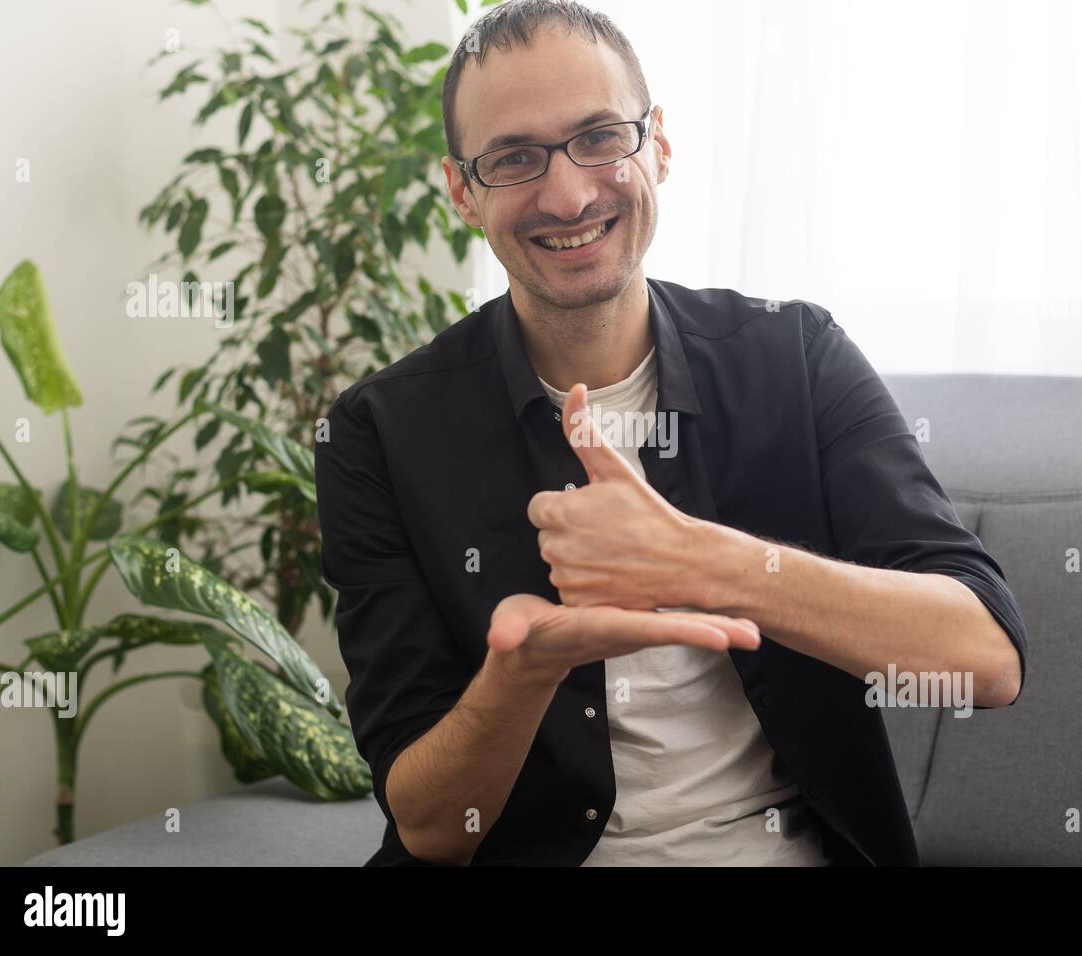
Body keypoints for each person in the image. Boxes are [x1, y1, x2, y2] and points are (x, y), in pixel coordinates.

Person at [314, 0, 1027, 867]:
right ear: (464, 191)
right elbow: (430, 824)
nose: (568, 192)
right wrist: (525, 670)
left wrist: (703, 563)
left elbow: (984, 660)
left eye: (601, 137)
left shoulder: (796, 356)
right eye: (513, 158)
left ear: (658, 144)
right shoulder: (378, 433)